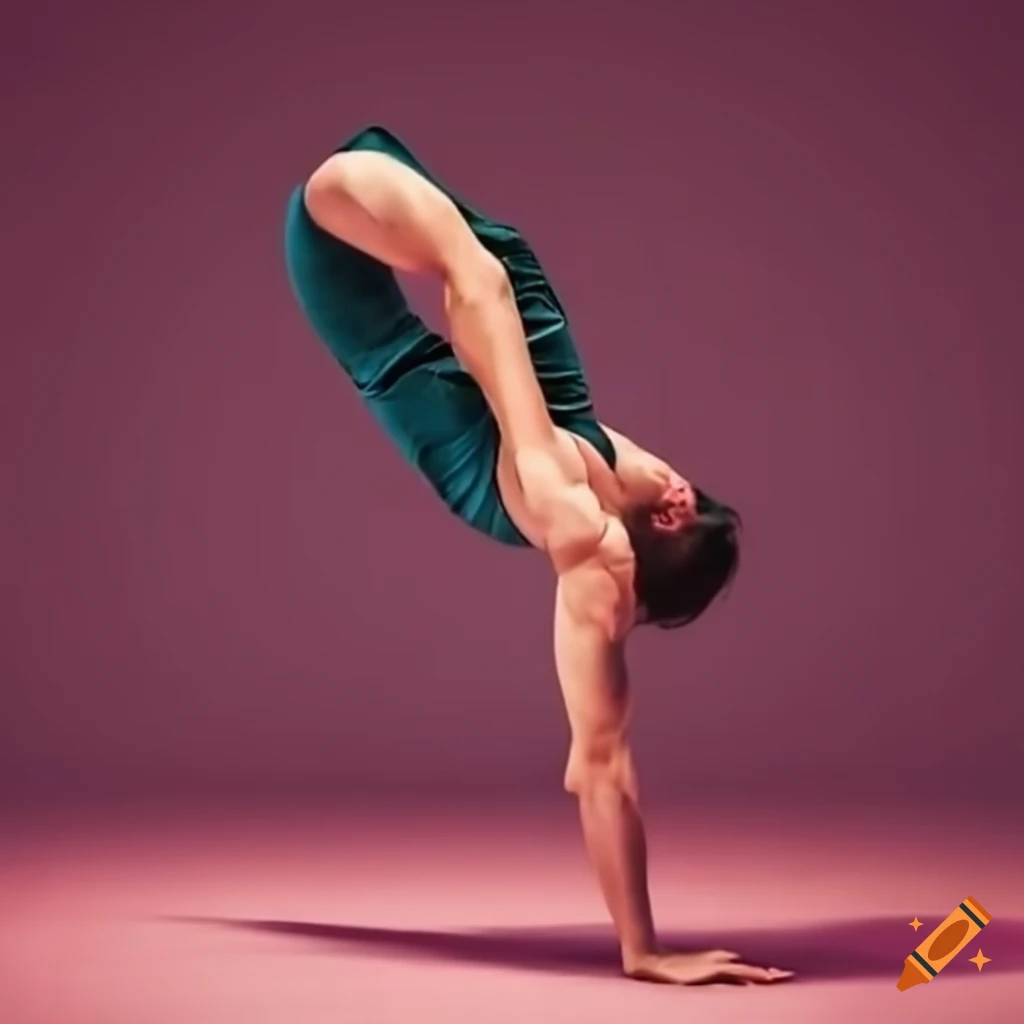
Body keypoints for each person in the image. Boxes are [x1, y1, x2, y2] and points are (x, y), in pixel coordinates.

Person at [283, 126, 791, 986]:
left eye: (685, 502)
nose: (679, 482)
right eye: (690, 489)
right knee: (485, 268)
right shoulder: (618, 507)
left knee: (479, 272)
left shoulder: (569, 510)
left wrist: (645, 949)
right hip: (416, 223)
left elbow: (601, 769)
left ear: (663, 527)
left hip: (340, 227)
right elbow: (602, 754)